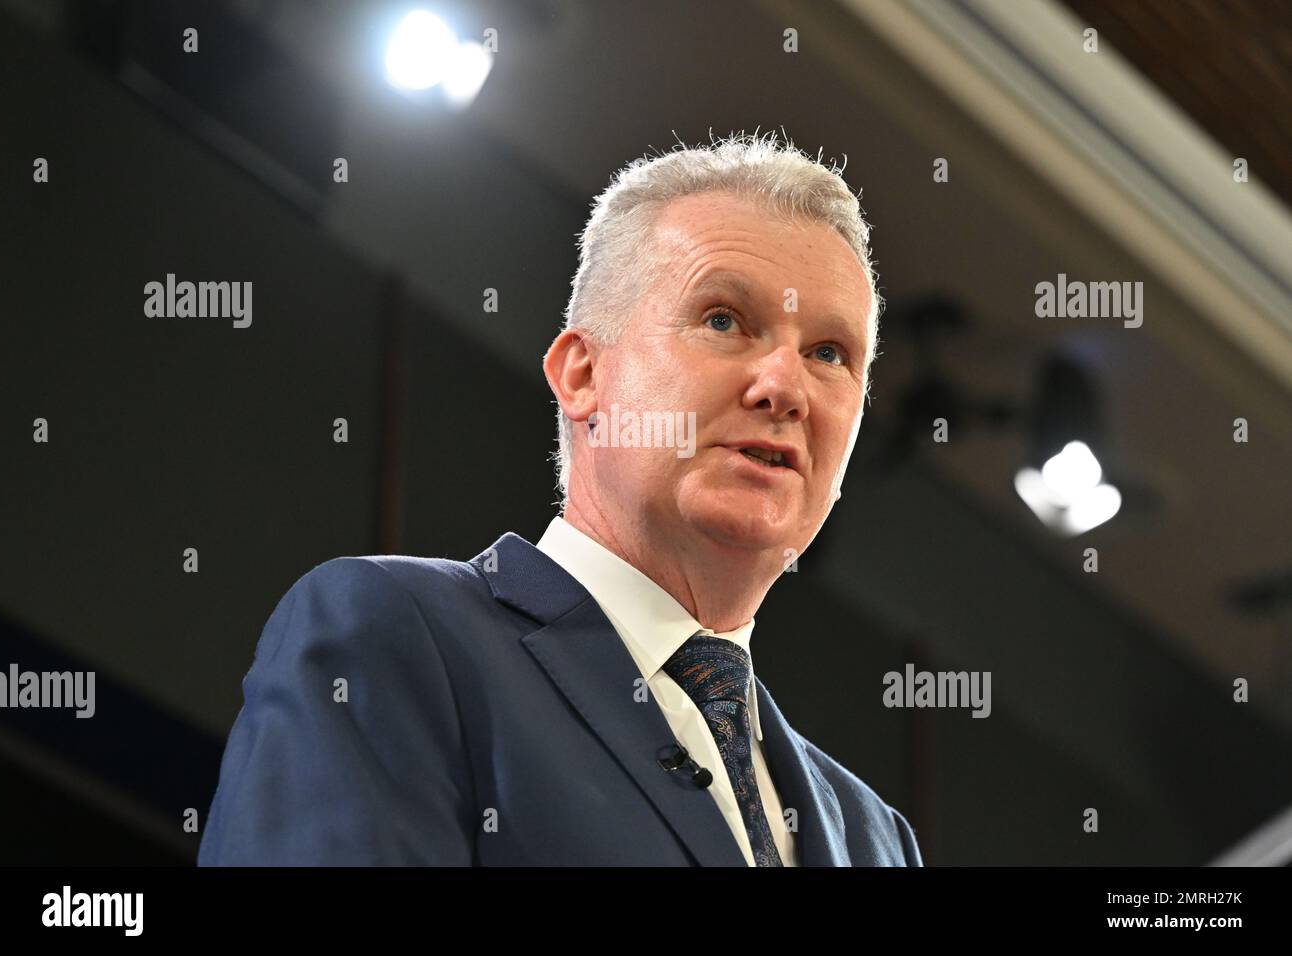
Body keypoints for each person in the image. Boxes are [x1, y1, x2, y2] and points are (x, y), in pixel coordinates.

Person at [198, 131, 922, 866]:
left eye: (829, 353)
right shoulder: (398, 635)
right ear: (582, 375)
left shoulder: (879, 841)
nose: (785, 388)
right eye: (724, 320)